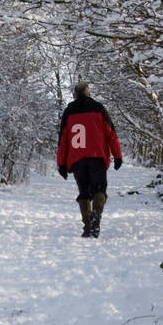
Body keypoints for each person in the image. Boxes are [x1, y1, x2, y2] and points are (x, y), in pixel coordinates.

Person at [56, 81, 123, 237]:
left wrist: (61, 164)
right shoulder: (99, 109)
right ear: (89, 93)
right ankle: (96, 218)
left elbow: (63, 140)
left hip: (77, 159)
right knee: (100, 190)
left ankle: (87, 227)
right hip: (97, 157)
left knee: (84, 193)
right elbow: (111, 134)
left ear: (74, 95)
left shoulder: (69, 112)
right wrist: (117, 156)